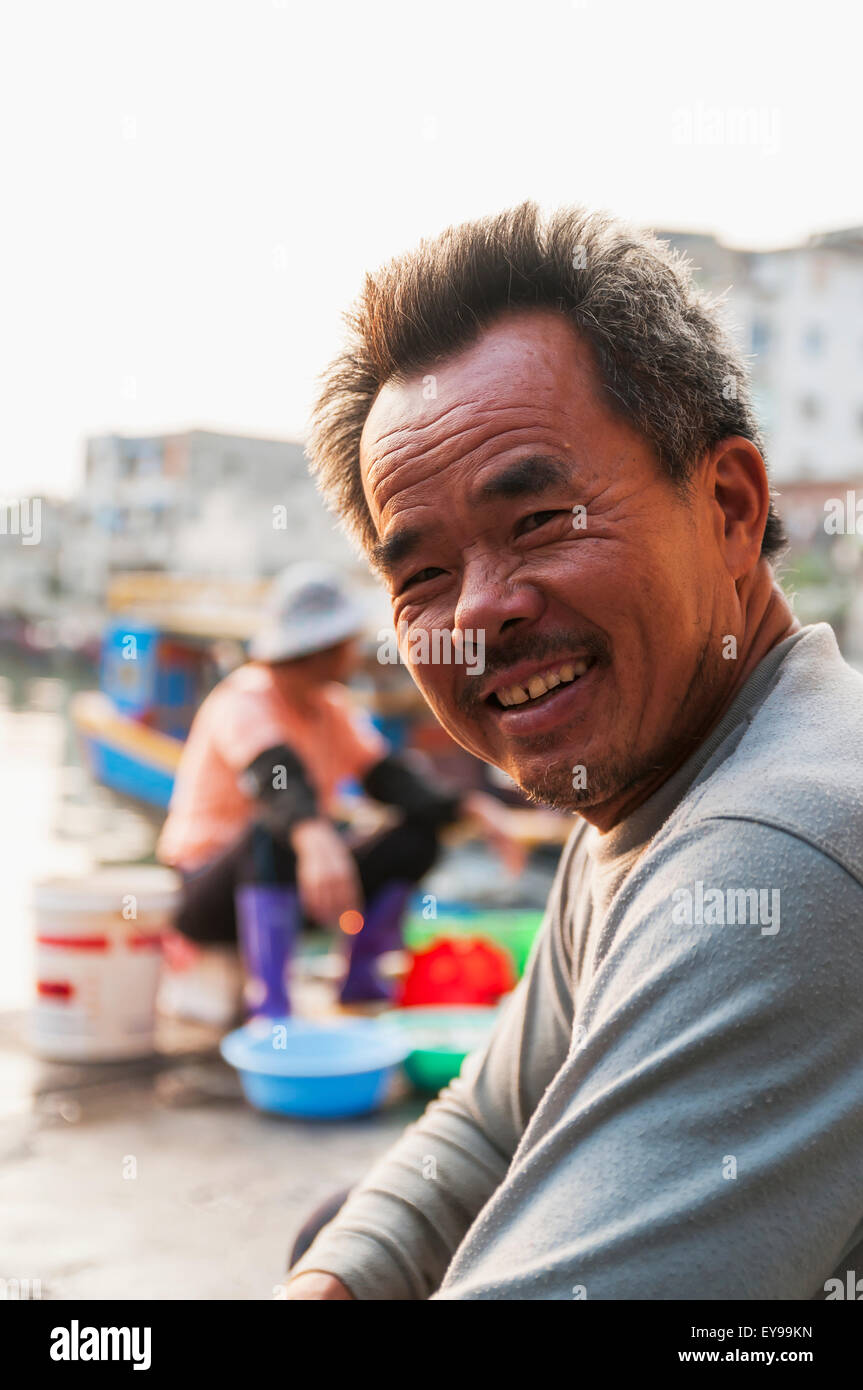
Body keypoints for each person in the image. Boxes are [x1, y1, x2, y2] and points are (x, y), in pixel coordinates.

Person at [282, 202, 863, 1300]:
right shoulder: (647, 795)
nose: (482, 612)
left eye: (541, 519)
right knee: (341, 1232)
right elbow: (490, 1119)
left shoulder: (775, 849)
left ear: (729, 507)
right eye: (421, 578)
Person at [157, 563, 521, 1012]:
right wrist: (312, 833)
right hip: (210, 891)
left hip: (297, 881)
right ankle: (271, 1010)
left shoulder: (331, 708)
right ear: (324, 648)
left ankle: (360, 980)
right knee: (271, 832)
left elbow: (387, 778)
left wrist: (468, 806)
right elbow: (276, 776)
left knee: (416, 836)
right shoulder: (244, 698)